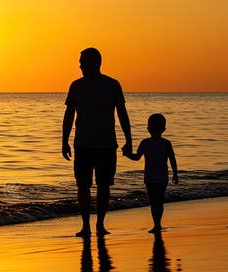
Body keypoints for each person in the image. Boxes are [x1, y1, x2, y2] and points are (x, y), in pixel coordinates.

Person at [62, 47, 132, 237]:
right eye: (80, 61)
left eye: (83, 61)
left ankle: (100, 224)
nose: (80, 65)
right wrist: (64, 141)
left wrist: (128, 140)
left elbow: (122, 114)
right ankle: (86, 225)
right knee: (82, 186)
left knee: (104, 186)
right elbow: (69, 115)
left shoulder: (112, 85)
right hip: (82, 144)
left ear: (95, 63)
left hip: (106, 145)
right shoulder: (76, 86)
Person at [125, 113, 178, 232]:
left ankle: (157, 224)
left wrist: (175, 173)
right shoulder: (163, 143)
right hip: (157, 177)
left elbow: (136, 157)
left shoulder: (150, 143)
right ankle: (157, 224)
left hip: (154, 177)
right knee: (158, 201)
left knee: (155, 201)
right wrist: (175, 173)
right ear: (163, 129)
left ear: (148, 128)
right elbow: (172, 159)